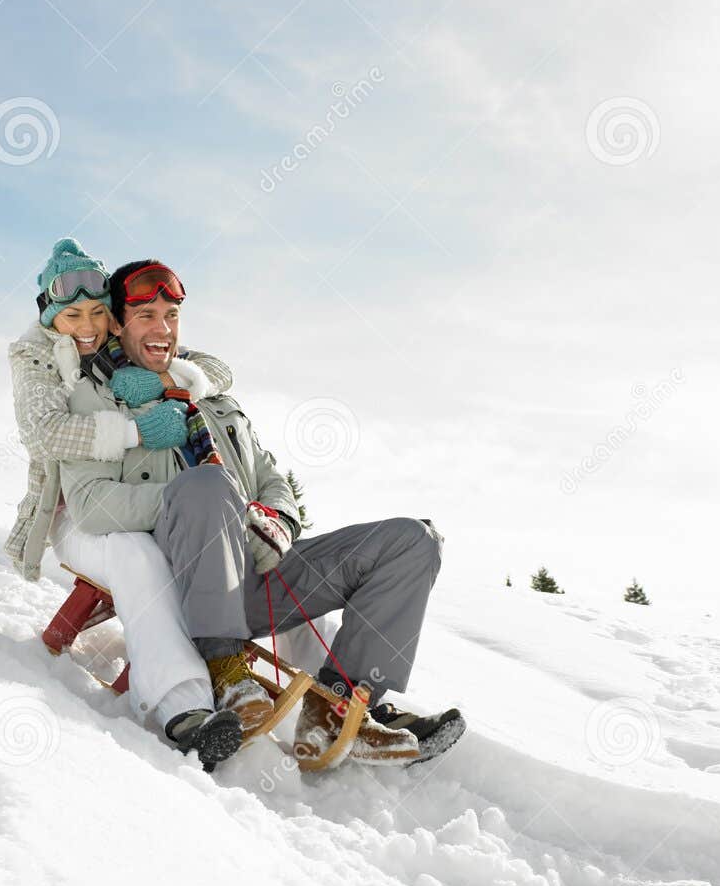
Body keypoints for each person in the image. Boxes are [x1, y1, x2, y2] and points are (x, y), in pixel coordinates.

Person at [59, 260, 463, 767]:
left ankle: (344, 705)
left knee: (413, 541)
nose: (162, 328)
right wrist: (208, 504)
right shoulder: (94, 397)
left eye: (171, 314)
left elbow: (270, 477)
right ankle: (225, 673)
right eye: (145, 315)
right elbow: (90, 504)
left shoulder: (209, 396)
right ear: (116, 322)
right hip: (185, 583)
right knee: (209, 483)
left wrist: (276, 521)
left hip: (256, 574)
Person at [5, 239, 245, 769]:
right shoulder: (37, 358)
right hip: (73, 513)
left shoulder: (121, 356)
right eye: (72, 314)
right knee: (136, 555)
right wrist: (135, 430)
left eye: (97, 312)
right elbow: (46, 434)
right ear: (50, 316)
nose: (86, 325)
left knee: (154, 545)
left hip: (130, 502)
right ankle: (181, 708)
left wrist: (165, 376)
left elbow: (216, 369)